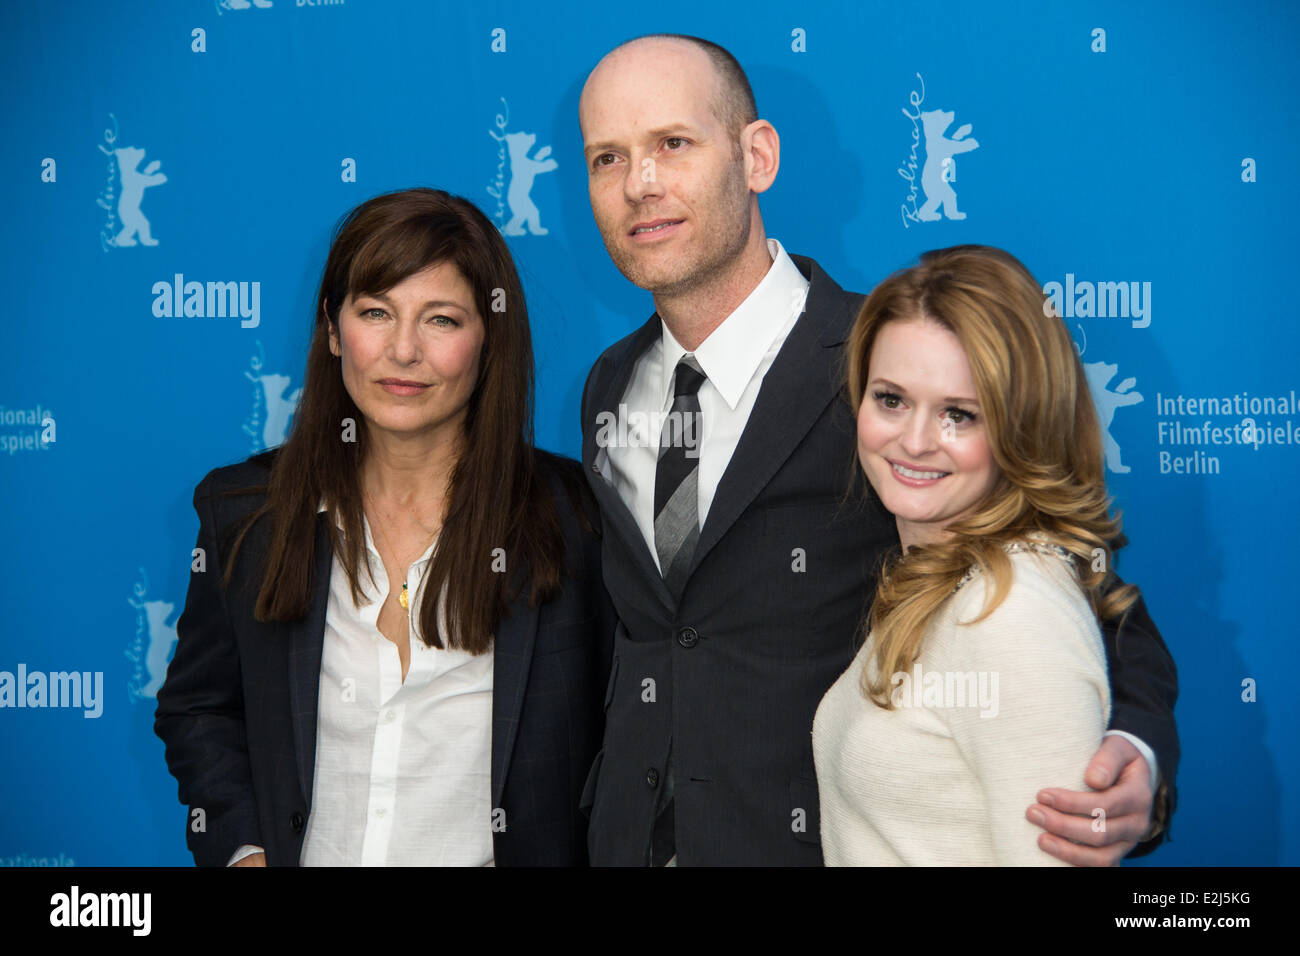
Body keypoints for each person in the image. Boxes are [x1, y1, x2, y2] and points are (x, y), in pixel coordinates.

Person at [576, 34, 1178, 865]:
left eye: (672, 144)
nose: (641, 184)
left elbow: (1074, 593)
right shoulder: (610, 385)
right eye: (609, 158)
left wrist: (1135, 757)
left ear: (757, 156)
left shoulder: (890, 364)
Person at [154, 187, 613, 866]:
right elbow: (200, 710)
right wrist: (244, 852)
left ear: (489, 339)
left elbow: (632, 737)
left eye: (441, 320)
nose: (403, 351)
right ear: (334, 330)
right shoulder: (246, 514)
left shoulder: (578, 521)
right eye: (376, 313)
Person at [813, 244, 1141, 864]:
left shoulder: (1013, 609)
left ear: (1023, 424)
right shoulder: (948, 581)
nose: (913, 441)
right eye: (890, 399)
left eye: (959, 414)